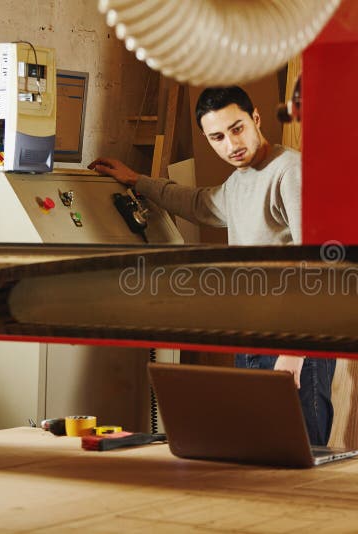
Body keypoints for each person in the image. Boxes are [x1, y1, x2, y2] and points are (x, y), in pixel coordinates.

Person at [89, 86, 335, 446]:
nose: (231, 144)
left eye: (237, 128)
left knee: (300, 455)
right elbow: (201, 203)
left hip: (295, 341)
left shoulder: (290, 172)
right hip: (252, 336)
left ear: (256, 119)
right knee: (257, 454)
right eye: (217, 137)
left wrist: (294, 353)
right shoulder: (239, 181)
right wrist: (137, 181)